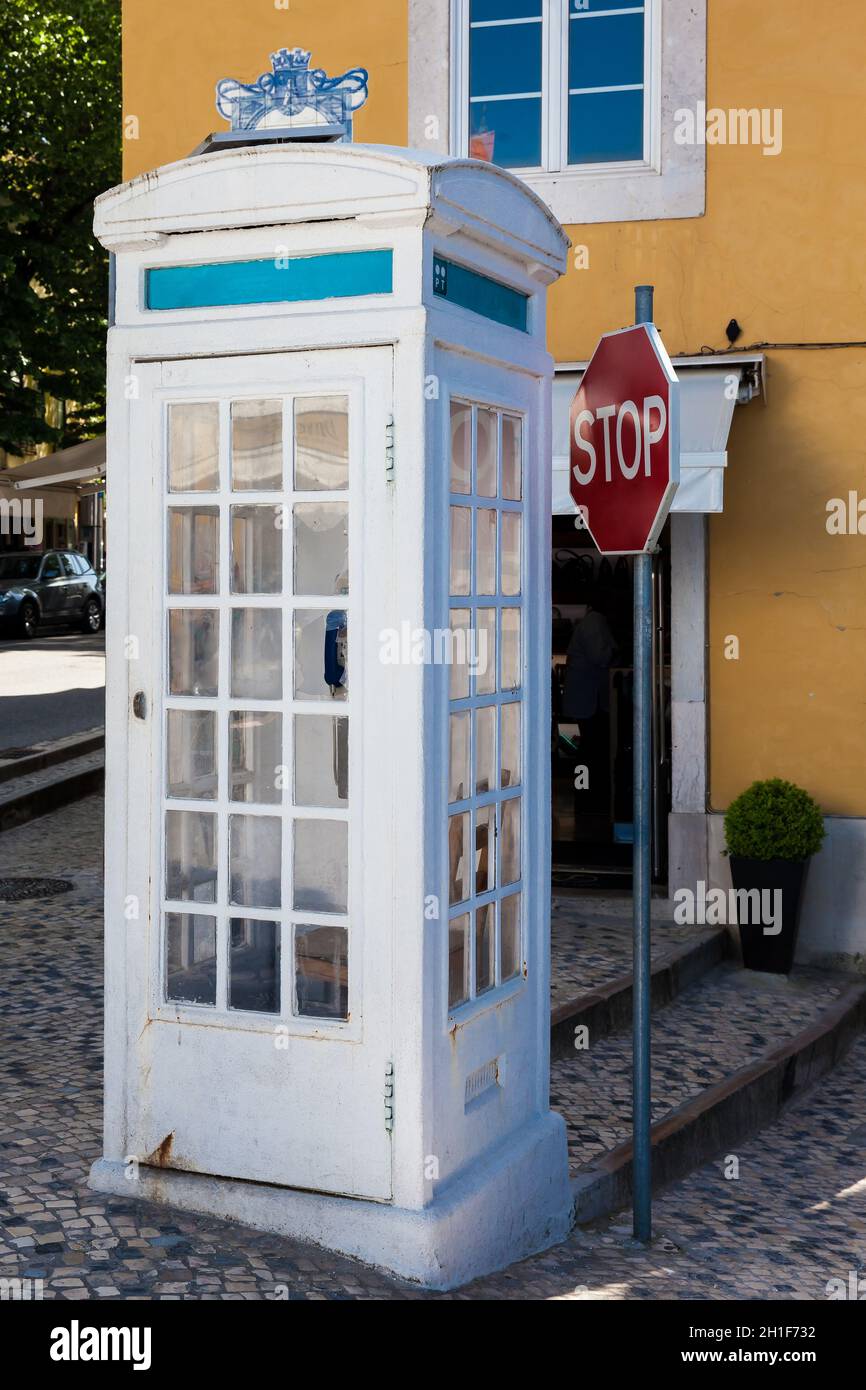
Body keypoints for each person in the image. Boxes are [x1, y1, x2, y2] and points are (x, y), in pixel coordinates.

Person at [563, 597, 617, 812]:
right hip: (587, 704)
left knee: (581, 752)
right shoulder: (595, 623)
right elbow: (601, 656)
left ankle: (583, 795)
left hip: (582, 702)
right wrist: (616, 652)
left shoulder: (590, 622)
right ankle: (585, 797)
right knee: (587, 752)